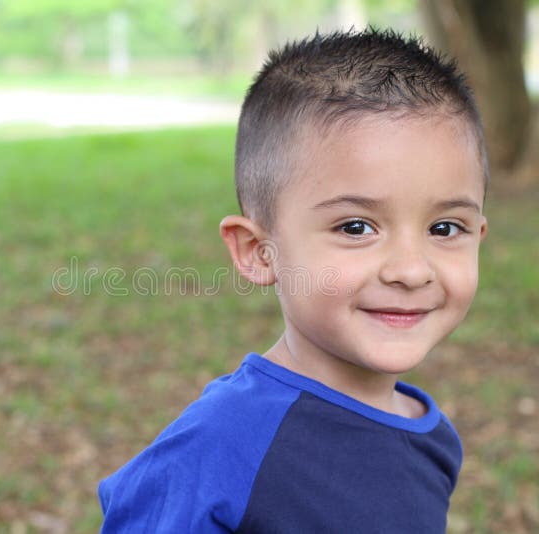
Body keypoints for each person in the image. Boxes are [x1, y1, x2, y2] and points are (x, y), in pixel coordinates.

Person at [97, 27, 489, 533]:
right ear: (260, 252)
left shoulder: (431, 435)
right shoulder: (220, 449)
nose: (411, 270)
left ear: (479, 234)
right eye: (355, 227)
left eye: (444, 228)